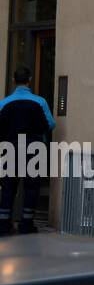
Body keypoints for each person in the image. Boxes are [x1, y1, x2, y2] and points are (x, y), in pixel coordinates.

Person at [0, 66, 55, 236]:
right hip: (33, 148)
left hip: (10, 147)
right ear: (29, 80)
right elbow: (51, 124)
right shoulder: (40, 102)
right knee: (31, 186)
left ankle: (3, 224)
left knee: (8, 186)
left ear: (13, 81)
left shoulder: (4, 103)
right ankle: (26, 224)